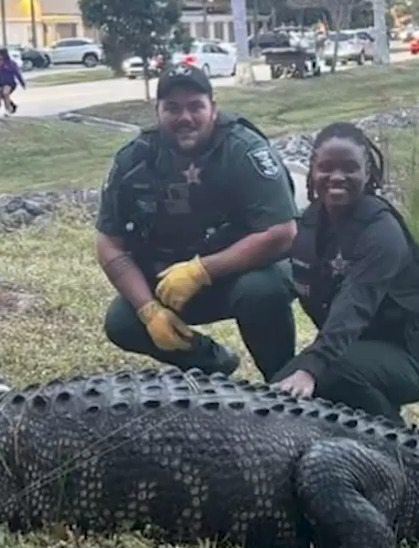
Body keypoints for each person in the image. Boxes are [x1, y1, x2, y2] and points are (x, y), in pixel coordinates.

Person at [95, 63, 298, 379]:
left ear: (213, 109)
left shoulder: (243, 149)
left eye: (195, 106)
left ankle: (283, 379)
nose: (185, 118)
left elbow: (283, 233)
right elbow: (108, 242)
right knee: (123, 321)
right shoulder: (134, 159)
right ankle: (212, 363)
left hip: (245, 271)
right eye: (172, 108)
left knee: (262, 291)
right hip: (171, 280)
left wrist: (203, 270)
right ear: (158, 111)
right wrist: (149, 310)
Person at [270, 122, 419, 423]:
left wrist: (311, 367)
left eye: (349, 168)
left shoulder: (382, 232)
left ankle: (399, 446)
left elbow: (355, 303)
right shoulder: (312, 222)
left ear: (368, 173)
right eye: (326, 168)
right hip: (360, 347)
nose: (336, 177)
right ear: (313, 171)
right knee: (282, 385)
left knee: (332, 373)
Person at [0, 49, 24, 115]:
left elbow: (17, 73)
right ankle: (11, 105)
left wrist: (22, 82)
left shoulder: (10, 63)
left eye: (0, 55)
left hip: (10, 83)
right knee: (0, 96)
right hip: (1, 83)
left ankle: (8, 110)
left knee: (5, 93)